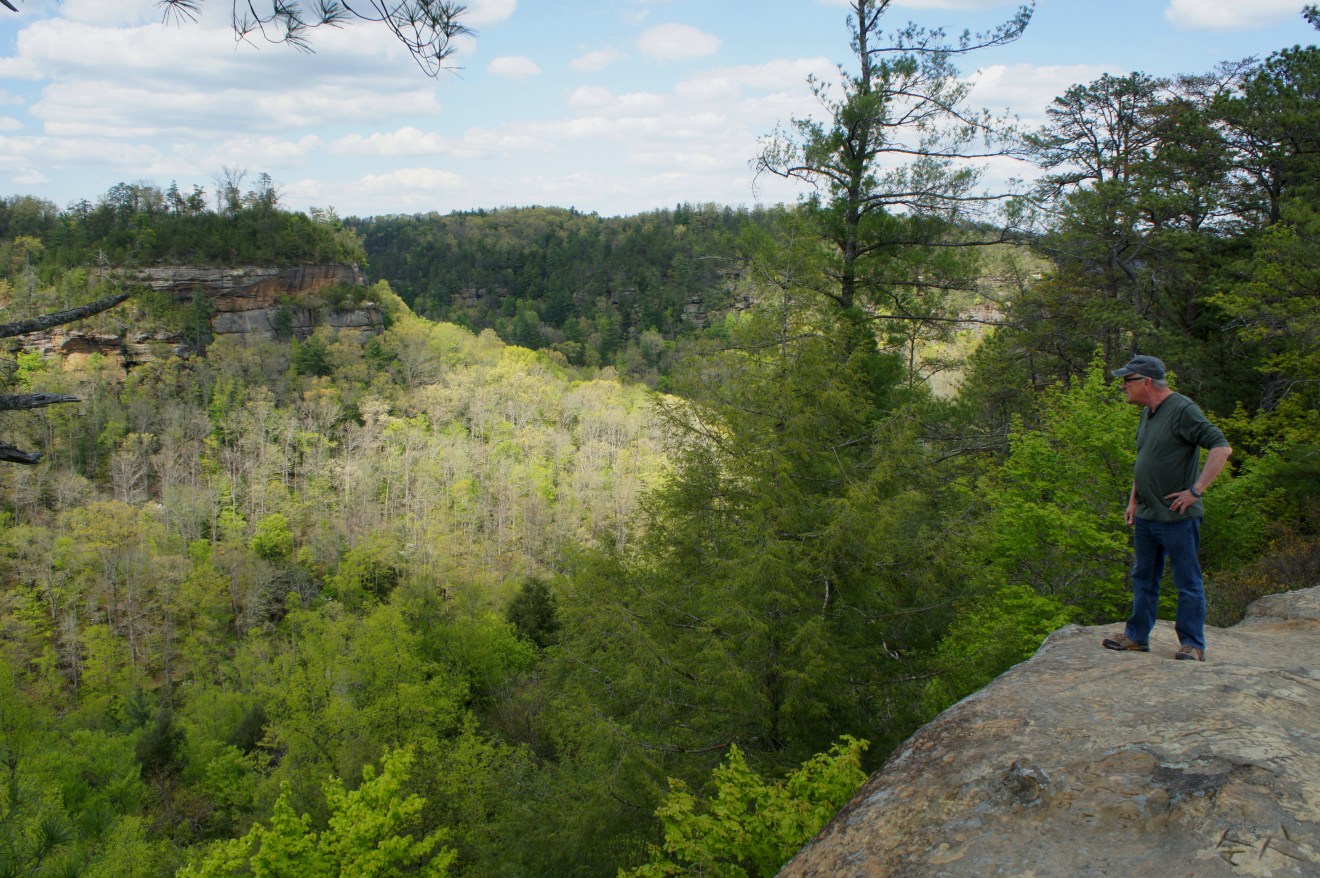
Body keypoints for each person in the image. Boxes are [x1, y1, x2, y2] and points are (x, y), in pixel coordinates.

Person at [1101, 355, 1232, 662]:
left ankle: (1192, 644)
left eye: (1127, 381)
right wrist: (1133, 500)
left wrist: (1195, 491)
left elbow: (1221, 447)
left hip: (1177, 517)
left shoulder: (1182, 410)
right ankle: (1136, 637)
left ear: (1146, 382)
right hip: (1147, 515)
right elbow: (1144, 459)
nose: (1123, 387)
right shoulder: (1149, 413)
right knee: (1143, 577)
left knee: (1187, 581)